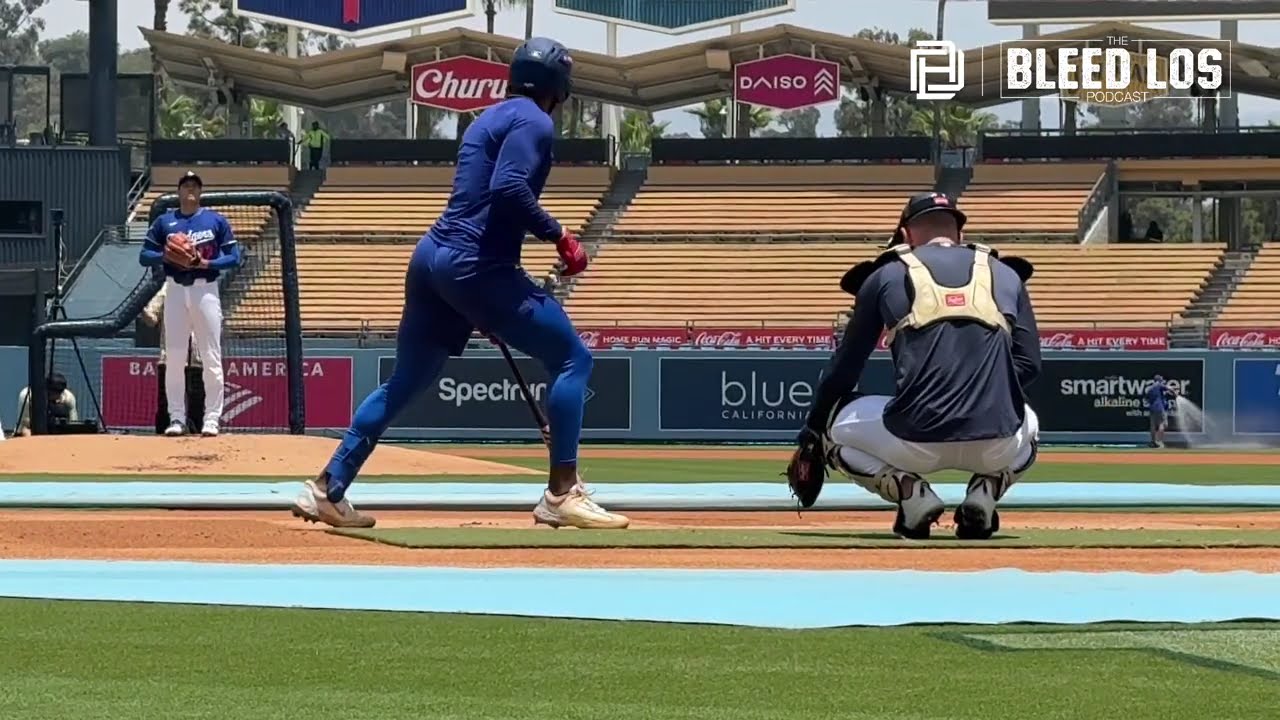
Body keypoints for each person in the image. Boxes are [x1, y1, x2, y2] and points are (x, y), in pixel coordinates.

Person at [291, 37, 628, 531]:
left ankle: (327, 486)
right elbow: (508, 188)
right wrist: (561, 238)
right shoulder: (536, 121)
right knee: (572, 358)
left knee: (405, 381)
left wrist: (475, 298)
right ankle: (561, 492)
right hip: (476, 266)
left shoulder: (486, 118)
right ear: (559, 85)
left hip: (433, 259)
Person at [787, 193, 1042, 540]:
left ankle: (910, 493)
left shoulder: (887, 273)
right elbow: (1030, 364)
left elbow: (844, 371)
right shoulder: (1007, 274)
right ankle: (986, 492)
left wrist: (812, 430)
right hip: (996, 442)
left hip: (914, 439)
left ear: (906, 235)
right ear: (959, 235)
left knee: (834, 430)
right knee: (1030, 422)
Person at [138, 171, 241, 437]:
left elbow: (234, 257)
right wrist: (168, 255)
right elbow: (144, 255)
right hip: (175, 288)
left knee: (211, 355)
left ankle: (212, 418)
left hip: (204, 288)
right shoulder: (166, 221)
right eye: (186, 186)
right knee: (174, 357)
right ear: (179, 191)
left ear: (200, 192)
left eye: (195, 186)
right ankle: (176, 418)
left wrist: (205, 263)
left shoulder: (214, 220)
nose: (190, 190)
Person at [15, 372, 78, 436]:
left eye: (60, 392)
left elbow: (73, 426)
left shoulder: (69, 398)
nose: (57, 395)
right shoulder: (27, 396)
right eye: (53, 392)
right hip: (32, 434)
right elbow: (23, 428)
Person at [1146, 374, 1178, 448]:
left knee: (1153, 426)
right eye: (1161, 380)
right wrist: (1175, 393)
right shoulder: (1159, 385)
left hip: (1152, 409)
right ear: (1159, 380)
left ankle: (1153, 442)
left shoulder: (1150, 388)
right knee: (1162, 424)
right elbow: (1169, 388)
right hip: (1160, 408)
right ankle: (1159, 442)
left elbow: (1147, 398)